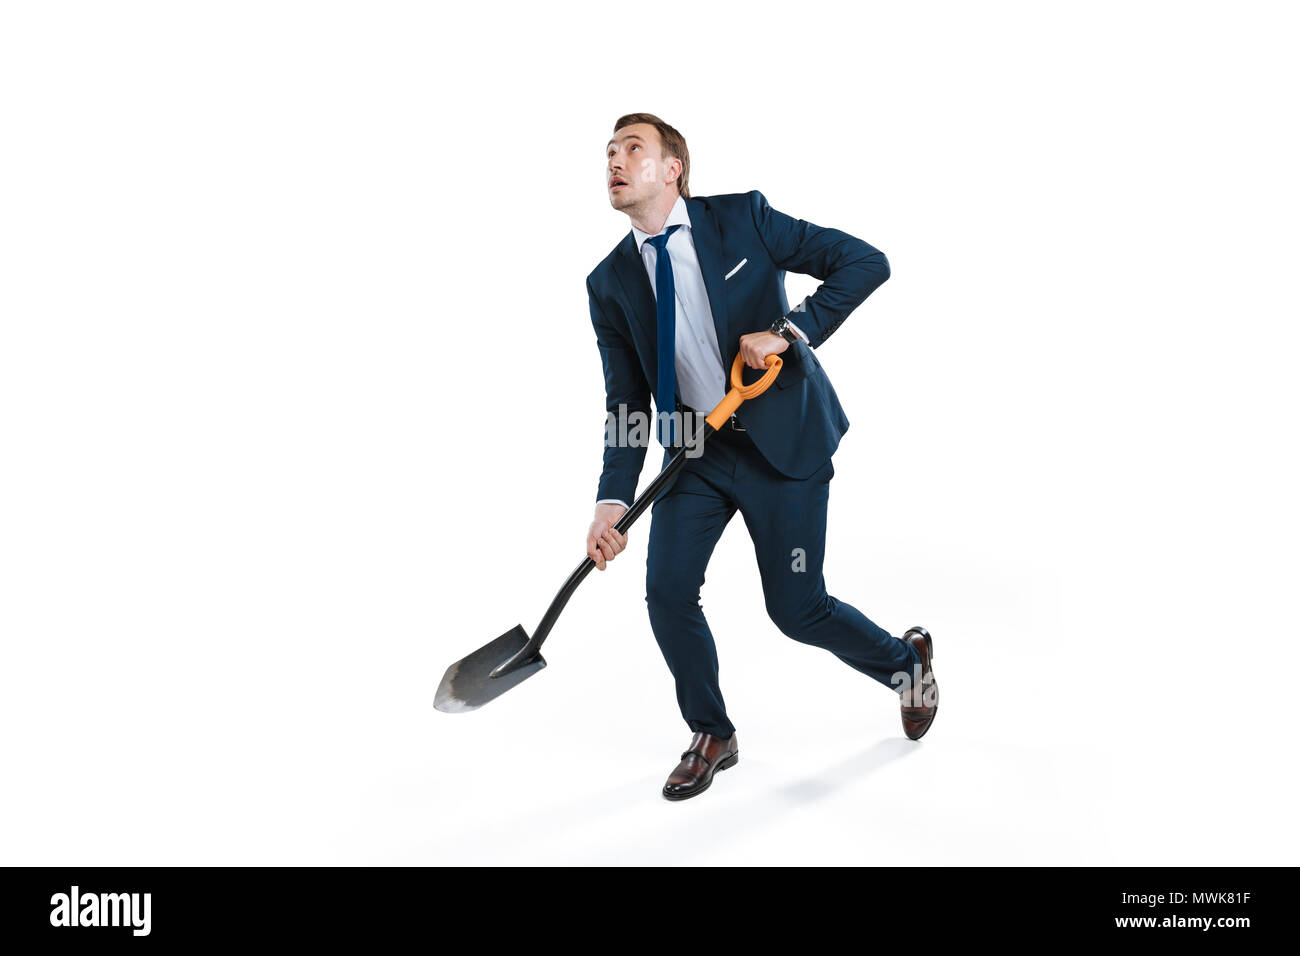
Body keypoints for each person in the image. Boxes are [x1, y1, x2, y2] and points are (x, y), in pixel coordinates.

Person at [584, 113, 938, 801]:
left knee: (797, 608)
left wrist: (790, 331)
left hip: (786, 448)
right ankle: (712, 732)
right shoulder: (610, 283)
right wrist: (611, 500)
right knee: (667, 593)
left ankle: (907, 665)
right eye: (607, 153)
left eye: (632, 149)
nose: (615, 162)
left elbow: (864, 262)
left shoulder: (743, 220)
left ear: (672, 168)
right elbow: (625, 402)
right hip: (696, 455)